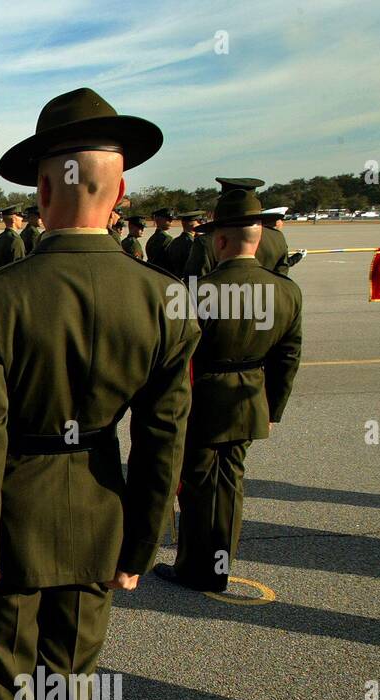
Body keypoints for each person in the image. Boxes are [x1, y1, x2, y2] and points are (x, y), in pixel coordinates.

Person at [0, 87, 200, 700]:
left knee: (7, 678)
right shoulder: (164, 301)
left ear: (43, 190)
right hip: (98, 517)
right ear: (119, 194)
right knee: (67, 682)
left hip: (13, 521)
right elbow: (163, 440)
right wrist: (141, 545)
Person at [155, 189, 302, 593]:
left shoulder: (195, 292)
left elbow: (173, 358)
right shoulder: (286, 290)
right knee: (230, 484)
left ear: (219, 240)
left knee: (199, 486)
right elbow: (288, 356)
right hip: (250, 400)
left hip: (202, 401)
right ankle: (219, 564)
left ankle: (196, 569)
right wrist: (273, 407)